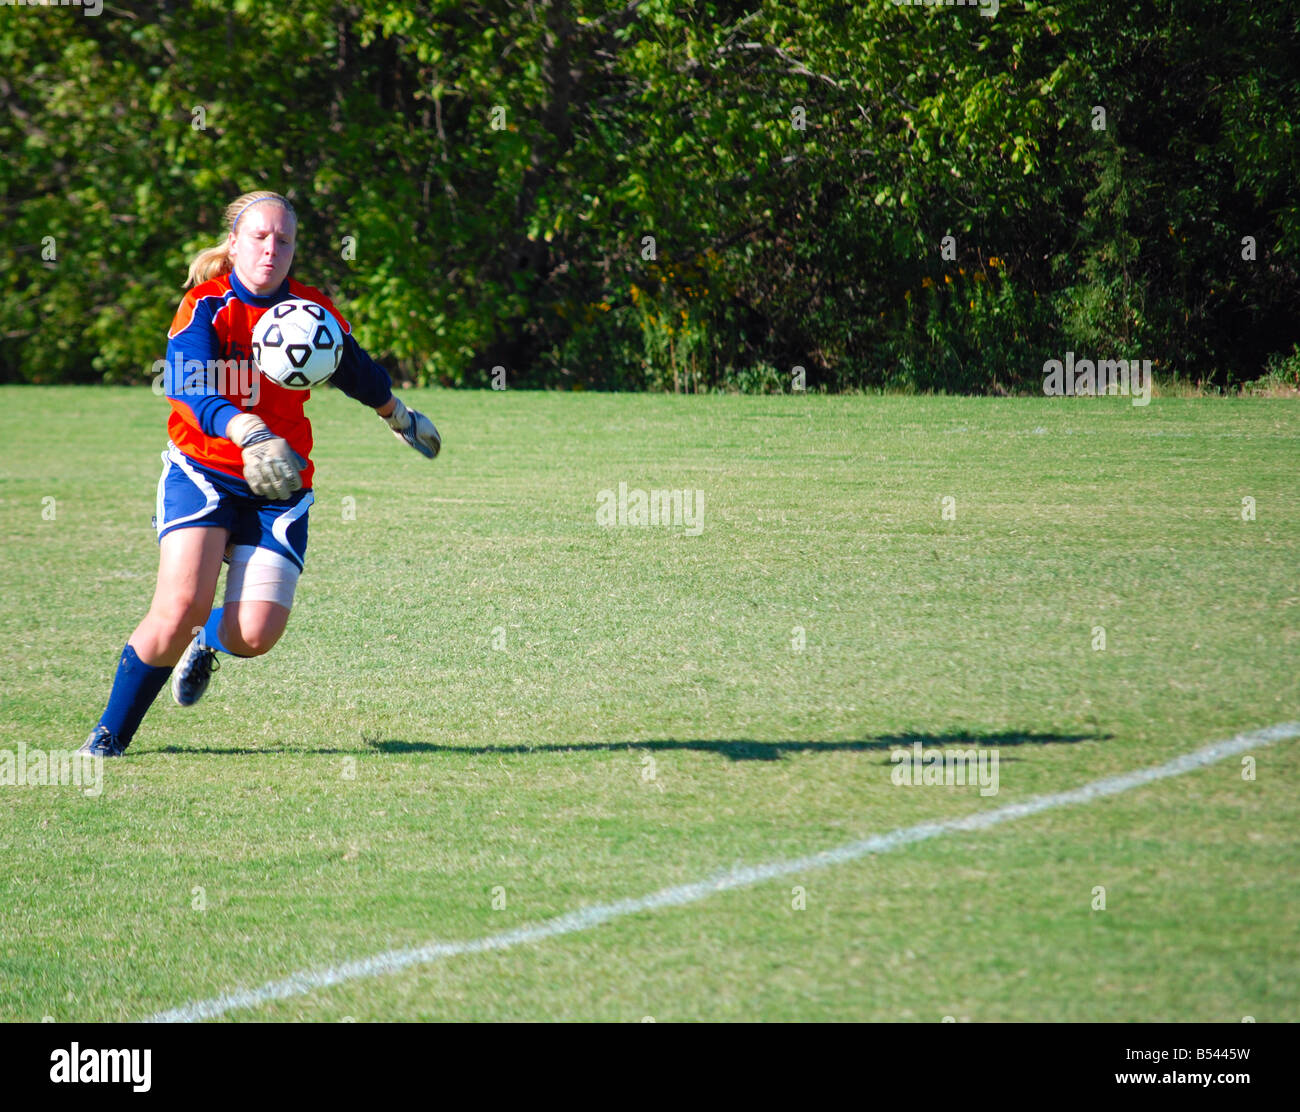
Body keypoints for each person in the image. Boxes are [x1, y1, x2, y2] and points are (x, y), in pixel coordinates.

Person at [80, 190, 441, 758]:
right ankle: (110, 736)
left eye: (285, 239)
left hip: (280, 481)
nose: (272, 248)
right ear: (235, 243)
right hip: (203, 470)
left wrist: (397, 414)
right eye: (260, 236)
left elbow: (353, 367)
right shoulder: (204, 306)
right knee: (180, 607)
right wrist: (245, 431)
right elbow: (188, 384)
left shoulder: (310, 310)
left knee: (256, 634)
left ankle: (208, 643)